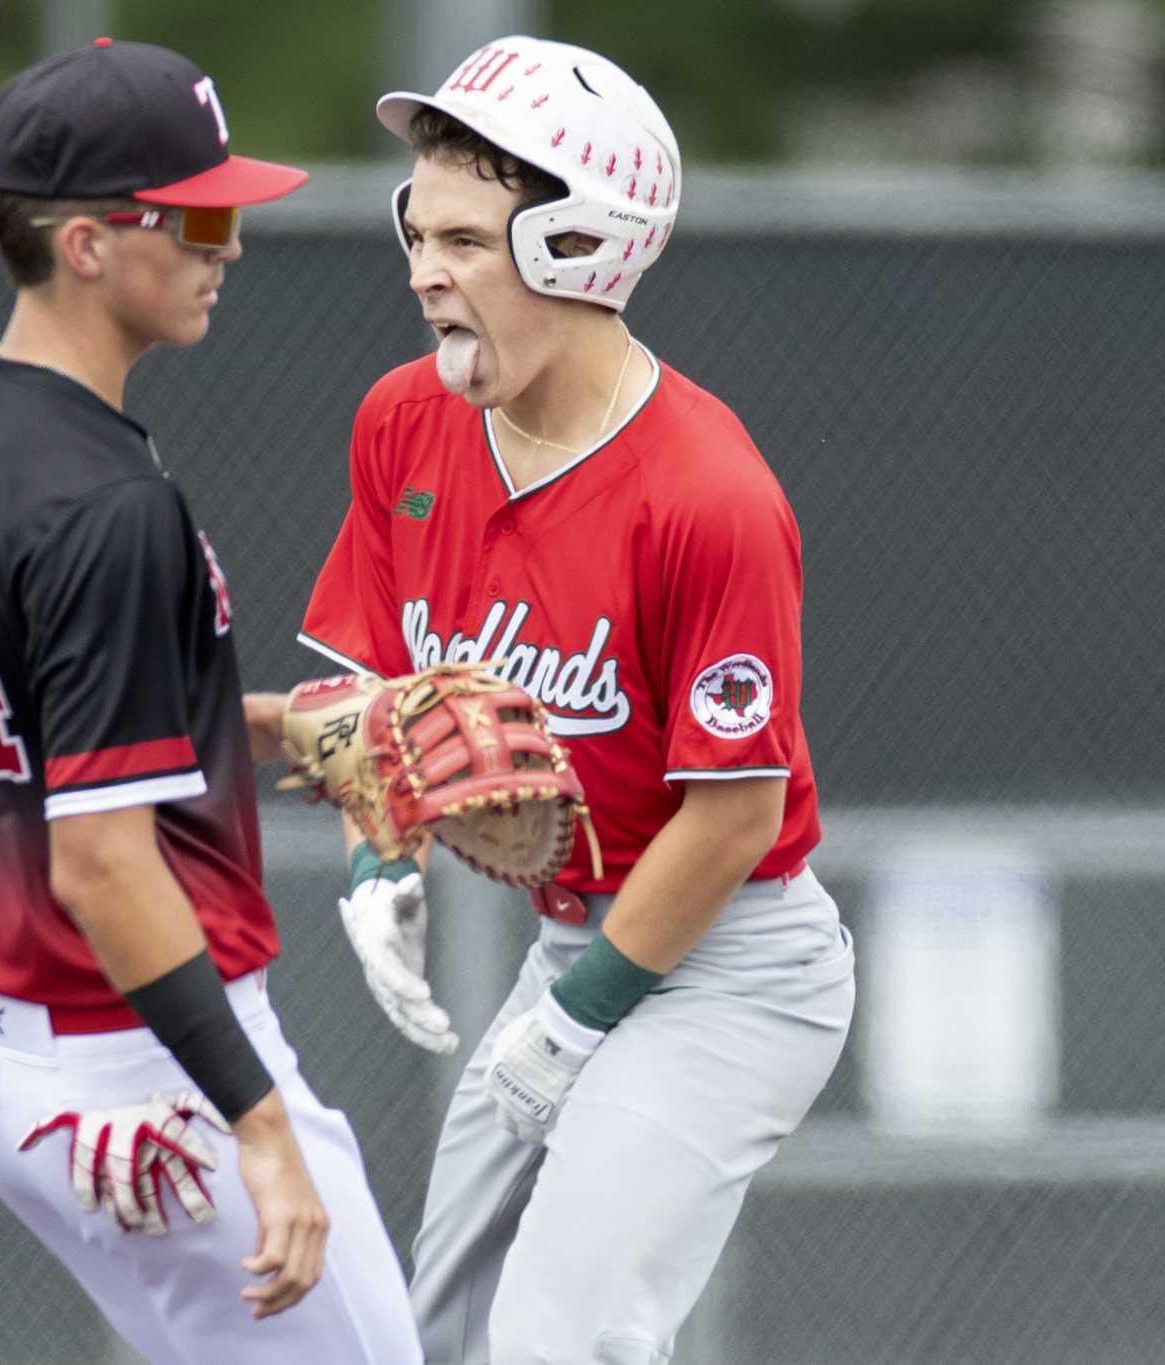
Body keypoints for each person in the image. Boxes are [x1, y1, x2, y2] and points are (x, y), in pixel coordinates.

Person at [297, 36, 857, 1364]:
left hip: (733, 967)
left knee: (561, 1338)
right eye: (415, 227)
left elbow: (730, 820)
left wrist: (574, 1017)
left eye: (469, 239)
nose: (424, 267)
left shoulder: (708, 495)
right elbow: (367, 693)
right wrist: (382, 853)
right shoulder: (405, 424)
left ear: (581, 247)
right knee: (434, 1332)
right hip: (577, 943)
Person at [0, 38, 422, 1364]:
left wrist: (264, 722)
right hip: (138, 1059)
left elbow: (36, 732)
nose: (227, 244)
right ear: (83, 243)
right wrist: (258, 1126)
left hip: (10, 1056)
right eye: (195, 214)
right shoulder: (102, 499)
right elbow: (101, 858)